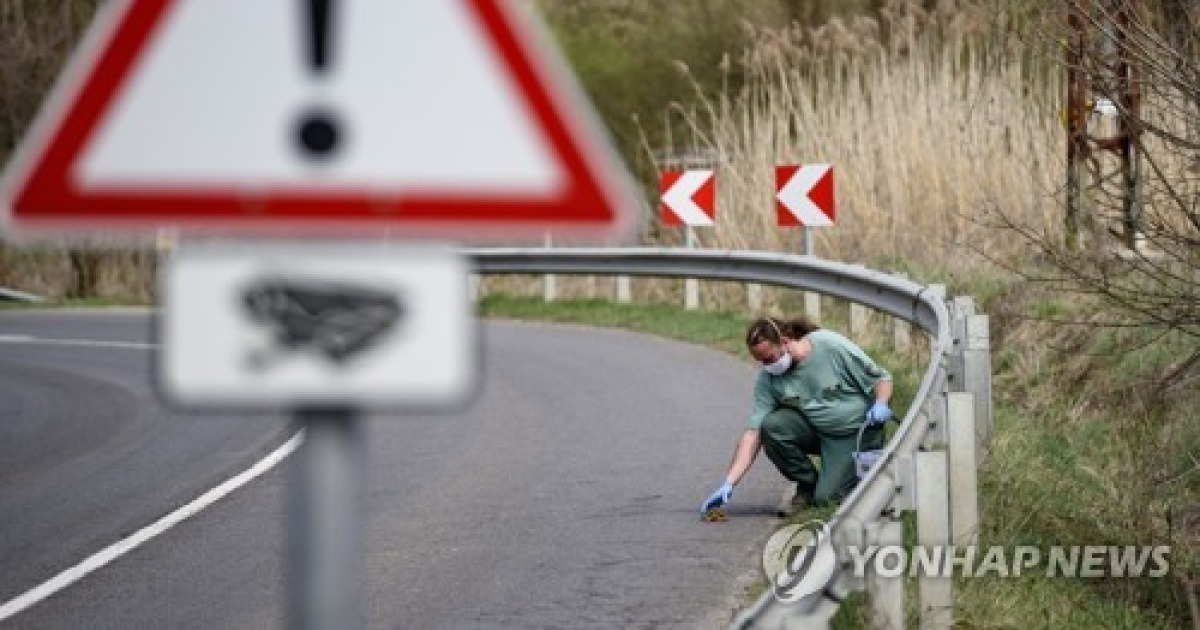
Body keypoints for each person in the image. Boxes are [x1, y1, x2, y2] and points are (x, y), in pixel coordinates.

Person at [699, 316, 895, 517]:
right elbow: (753, 433)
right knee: (773, 426)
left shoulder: (829, 345)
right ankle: (807, 485)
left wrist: (881, 404)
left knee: (827, 499)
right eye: (761, 361)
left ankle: (849, 478)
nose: (767, 365)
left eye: (769, 358)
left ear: (784, 341)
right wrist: (729, 483)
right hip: (819, 431)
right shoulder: (769, 379)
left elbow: (881, 379)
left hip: (856, 432)